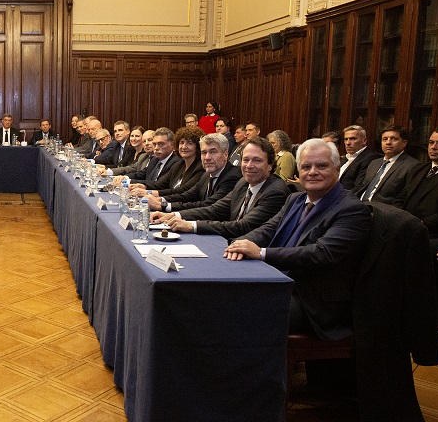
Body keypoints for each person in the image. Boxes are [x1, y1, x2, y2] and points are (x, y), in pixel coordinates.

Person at [224, 138, 371, 341]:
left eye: (321, 166)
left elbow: (321, 253)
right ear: (298, 172)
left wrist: (261, 253)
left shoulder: (352, 209)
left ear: (337, 169)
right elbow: (268, 229)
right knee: (221, 297)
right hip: (279, 282)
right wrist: (237, 244)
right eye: (306, 166)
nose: (312, 172)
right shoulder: (297, 198)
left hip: (312, 303)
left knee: (236, 312)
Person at [163, 136, 290, 239]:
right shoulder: (243, 183)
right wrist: (175, 215)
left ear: (270, 165)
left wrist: (192, 225)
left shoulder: (275, 191)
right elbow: (214, 210)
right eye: (246, 160)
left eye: (257, 160)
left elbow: (242, 227)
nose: (249, 165)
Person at [396, 125, 438, 338]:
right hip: (410, 226)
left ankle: (431, 312)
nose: (434, 147)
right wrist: (399, 219)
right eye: (431, 142)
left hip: (437, 231)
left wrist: (421, 223)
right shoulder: (419, 169)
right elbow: (402, 197)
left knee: (425, 249)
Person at [148, 132, 241, 213]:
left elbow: (208, 205)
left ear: (225, 155)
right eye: (204, 153)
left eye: (213, 152)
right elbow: (186, 196)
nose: (207, 157)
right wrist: (160, 200)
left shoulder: (232, 176)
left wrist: (163, 206)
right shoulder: (206, 175)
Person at [356, 125, 418, 204]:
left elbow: (403, 199)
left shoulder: (412, 165)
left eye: (394, 139)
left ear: (404, 143)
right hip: (358, 206)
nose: (388, 142)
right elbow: (361, 188)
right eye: (385, 139)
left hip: (380, 211)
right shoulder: (374, 163)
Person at [139, 126, 205, 199]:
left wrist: (150, 193)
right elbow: (160, 184)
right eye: (181, 142)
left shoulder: (201, 167)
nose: (184, 146)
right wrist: (142, 186)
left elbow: (182, 191)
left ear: (198, 146)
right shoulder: (179, 165)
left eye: (189, 143)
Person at [117, 127, 183, 190]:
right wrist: (125, 178)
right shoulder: (154, 159)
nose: (156, 148)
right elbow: (141, 174)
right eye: (154, 144)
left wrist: (129, 182)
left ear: (172, 145)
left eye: (161, 144)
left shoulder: (176, 162)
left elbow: (159, 185)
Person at [339, 125, 381, 191]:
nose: (348, 143)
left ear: (364, 141)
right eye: (346, 139)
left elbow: (358, 188)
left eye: (353, 139)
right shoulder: (345, 158)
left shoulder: (370, 158)